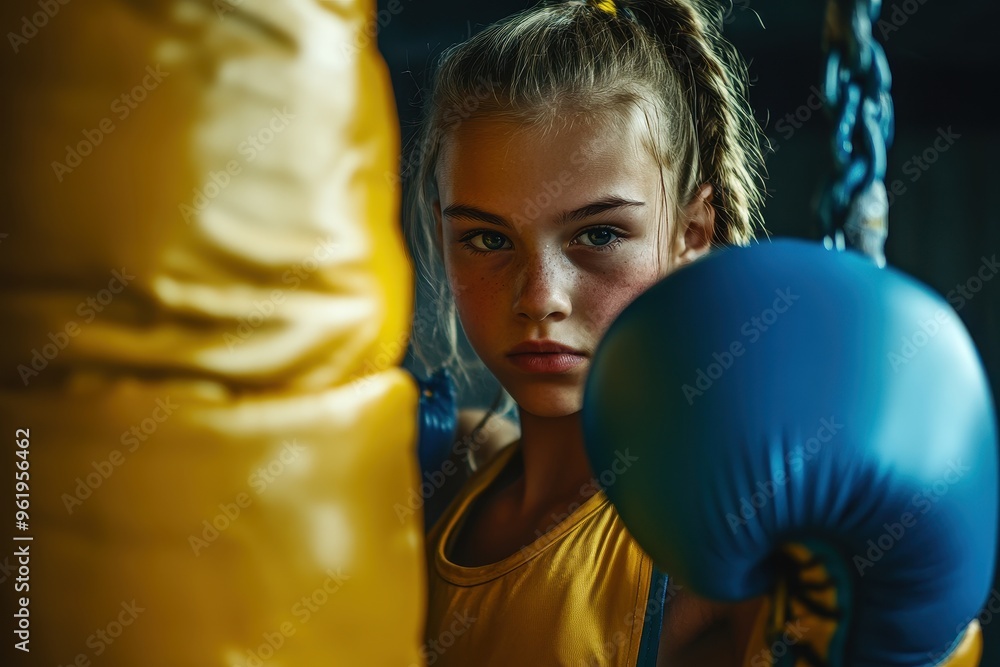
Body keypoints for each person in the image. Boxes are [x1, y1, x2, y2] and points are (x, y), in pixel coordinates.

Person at [403, 0, 767, 663]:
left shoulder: (722, 538)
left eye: (598, 234)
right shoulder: (439, 478)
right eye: (486, 238)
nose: (540, 297)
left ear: (691, 235)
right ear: (439, 233)